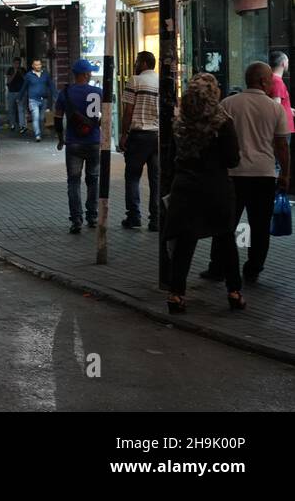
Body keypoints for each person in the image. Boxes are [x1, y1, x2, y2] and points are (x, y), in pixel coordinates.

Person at [201, 61, 291, 285]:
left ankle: (218, 267)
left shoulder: (228, 104)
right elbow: (281, 146)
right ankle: (253, 269)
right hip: (264, 174)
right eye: (269, 78)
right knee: (259, 226)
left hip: (233, 174)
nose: (272, 82)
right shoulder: (275, 108)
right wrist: (286, 173)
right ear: (262, 81)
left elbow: (214, 138)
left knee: (226, 223)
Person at [163, 73, 244, 314]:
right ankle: (234, 292)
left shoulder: (179, 124)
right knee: (226, 239)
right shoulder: (222, 123)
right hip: (215, 189)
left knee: (185, 243)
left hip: (185, 188)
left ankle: (176, 294)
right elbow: (232, 159)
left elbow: (170, 160)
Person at [54, 59, 103, 234]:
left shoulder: (65, 93)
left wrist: (60, 139)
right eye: (89, 72)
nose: (90, 74)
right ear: (85, 74)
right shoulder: (97, 92)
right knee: (93, 180)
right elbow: (101, 118)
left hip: (73, 143)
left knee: (73, 182)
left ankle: (76, 220)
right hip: (93, 142)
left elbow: (58, 118)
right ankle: (92, 216)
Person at [118, 50, 160, 230]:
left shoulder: (135, 81)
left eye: (136, 61)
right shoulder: (161, 82)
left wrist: (124, 133)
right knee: (156, 179)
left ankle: (134, 216)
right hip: (157, 136)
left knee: (133, 177)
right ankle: (156, 219)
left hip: (138, 136)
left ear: (143, 63)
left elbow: (128, 110)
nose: (134, 64)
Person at [269, 51, 293, 160]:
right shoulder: (277, 81)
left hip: (281, 129)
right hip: (282, 130)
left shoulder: (273, 80)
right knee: (280, 161)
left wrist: (289, 110)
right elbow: (275, 106)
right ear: (283, 63)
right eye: (287, 61)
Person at [22, 58, 54, 141]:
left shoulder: (45, 74)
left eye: (39, 64)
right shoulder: (29, 75)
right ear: (33, 66)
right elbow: (24, 87)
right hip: (33, 100)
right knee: (35, 117)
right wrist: (19, 97)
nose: (38, 66)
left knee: (42, 118)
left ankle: (41, 131)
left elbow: (51, 85)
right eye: (36, 65)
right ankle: (37, 135)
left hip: (44, 100)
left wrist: (56, 95)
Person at [5, 58, 26, 131]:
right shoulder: (10, 70)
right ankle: (12, 124)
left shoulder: (22, 70)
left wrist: (20, 73)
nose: (17, 65)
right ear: (13, 63)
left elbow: (25, 80)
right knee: (12, 109)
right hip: (11, 92)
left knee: (21, 109)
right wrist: (14, 73)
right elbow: (8, 81)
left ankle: (22, 125)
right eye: (16, 63)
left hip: (20, 92)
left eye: (18, 63)